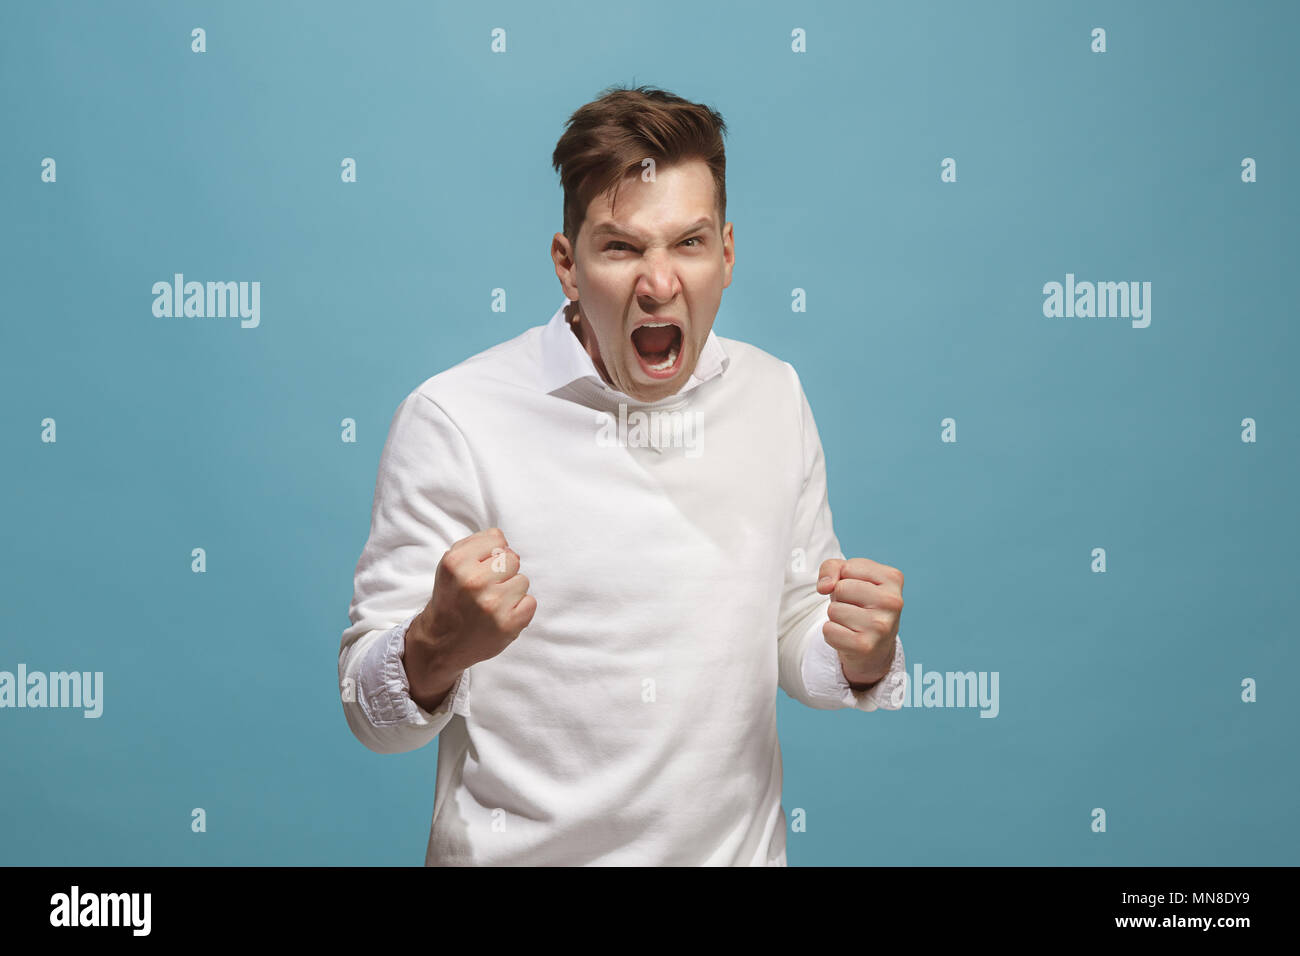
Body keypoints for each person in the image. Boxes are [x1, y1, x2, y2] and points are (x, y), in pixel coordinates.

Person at [338, 84, 907, 866]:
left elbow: (791, 629)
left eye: (689, 243)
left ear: (729, 254)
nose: (660, 282)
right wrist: (436, 645)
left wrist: (857, 654)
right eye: (622, 247)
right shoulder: (455, 418)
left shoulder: (775, 394)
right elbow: (374, 719)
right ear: (567, 266)